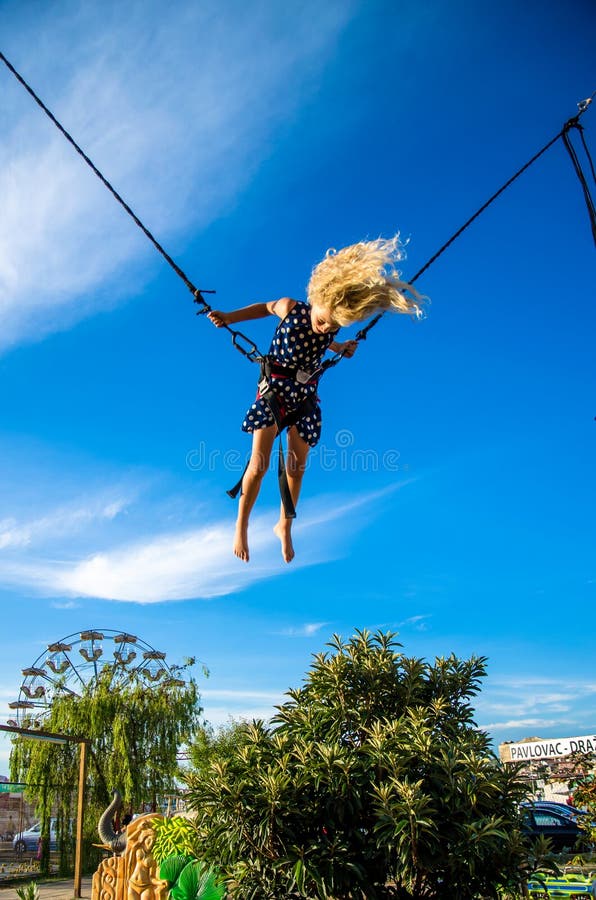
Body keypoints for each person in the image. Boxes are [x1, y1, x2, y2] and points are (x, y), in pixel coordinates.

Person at [208, 237, 424, 563]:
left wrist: (342, 347)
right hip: (275, 392)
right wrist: (228, 317)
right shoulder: (291, 308)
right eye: (324, 321)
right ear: (318, 297)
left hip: (304, 399)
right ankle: (241, 524)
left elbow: (326, 342)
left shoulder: (331, 328)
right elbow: (263, 308)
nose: (326, 329)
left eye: (334, 327)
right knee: (260, 463)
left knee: (297, 467)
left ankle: (284, 524)